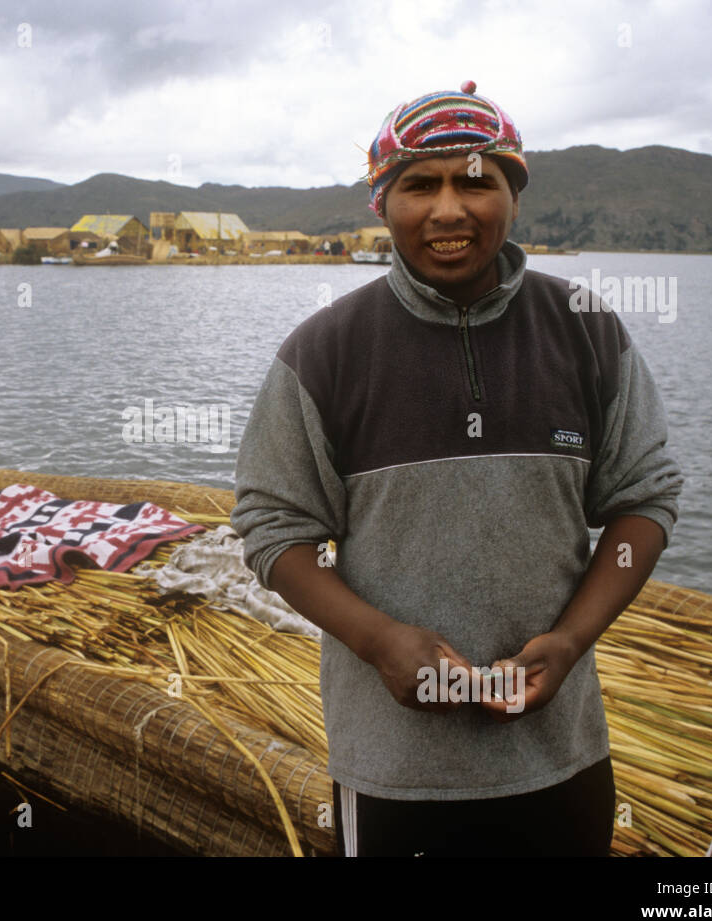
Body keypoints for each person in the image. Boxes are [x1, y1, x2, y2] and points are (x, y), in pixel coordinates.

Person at [230, 81, 683, 857]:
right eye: (419, 184)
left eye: (477, 179)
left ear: (513, 194)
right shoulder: (326, 352)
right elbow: (275, 530)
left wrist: (572, 641)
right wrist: (378, 641)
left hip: (562, 756)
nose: (448, 209)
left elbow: (645, 499)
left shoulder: (586, 330)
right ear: (382, 203)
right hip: (396, 770)